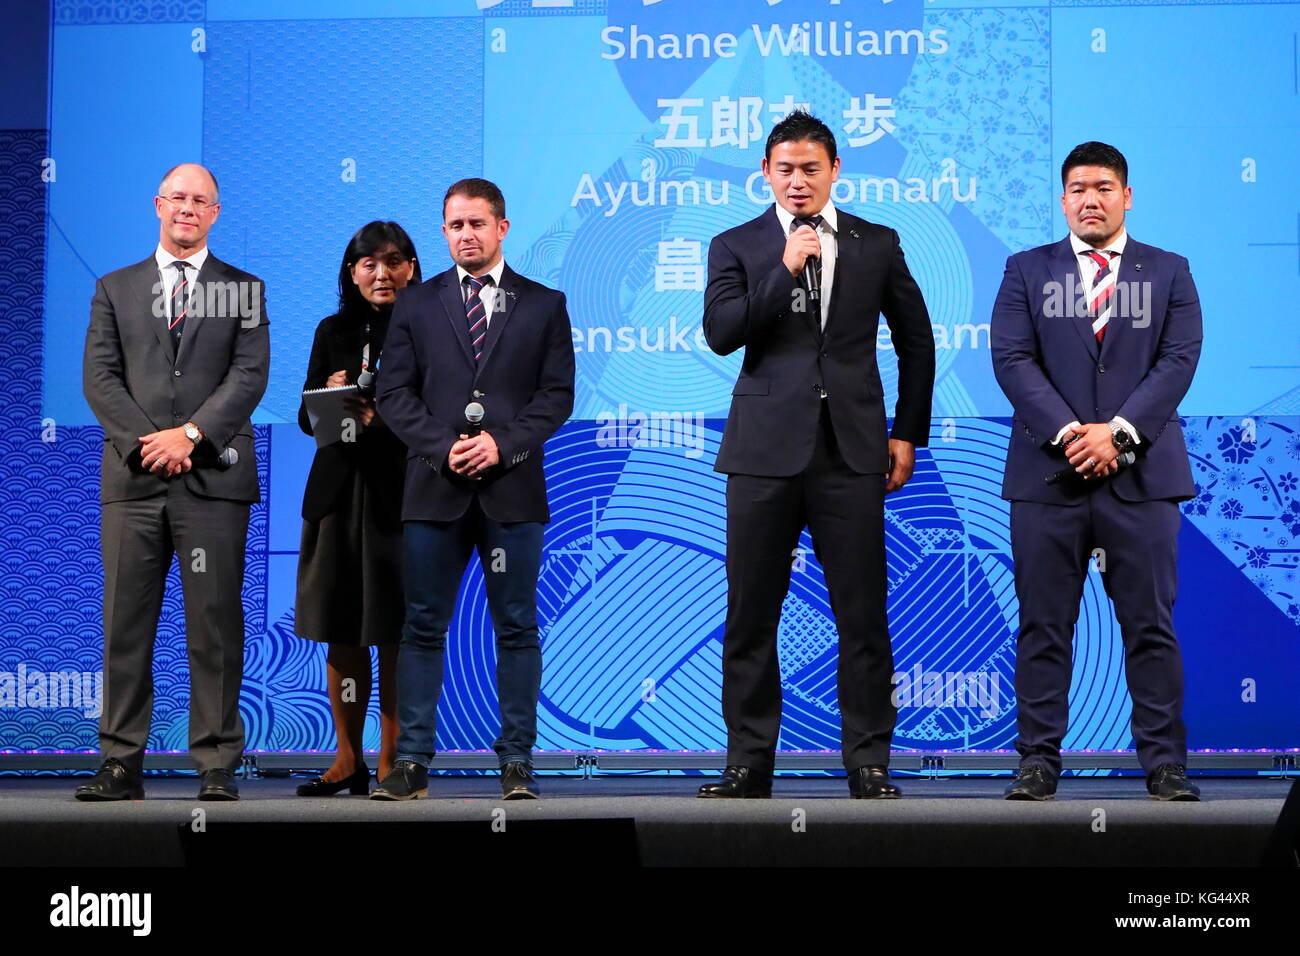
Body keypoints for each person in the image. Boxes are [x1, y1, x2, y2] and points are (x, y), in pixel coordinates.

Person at [699, 111, 936, 799]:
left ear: (835, 171)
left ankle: (868, 762)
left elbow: (917, 343)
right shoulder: (736, 245)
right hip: (762, 453)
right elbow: (722, 333)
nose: (797, 181)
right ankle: (748, 762)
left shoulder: (877, 243)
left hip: (852, 452)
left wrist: (905, 433)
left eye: (811, 169)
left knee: (863, 614)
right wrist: (784, 266)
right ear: (766, 174)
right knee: (751, 614)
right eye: (784, 169)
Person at [991, 141, 1203, 801]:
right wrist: (1069, 435)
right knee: (1044, 625)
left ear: (1127, 196)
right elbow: (1012, 359)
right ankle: (1037, 762)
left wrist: (1118, 434)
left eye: (1104, 187)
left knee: (1150, 626)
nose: (1091, 198)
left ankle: (1164, 764)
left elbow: (1178, 360)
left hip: (1142, 480)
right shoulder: (1027, 271)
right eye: (1078, 188)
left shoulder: (1169, 272)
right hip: (1048, 478)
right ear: (1063, 199)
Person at [371, 178, 574, 801]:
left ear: (502, 228)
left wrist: (501, 443)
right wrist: (443, 447)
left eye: (477, 224)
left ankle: (516, 760)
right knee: (422, 626)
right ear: (444, 232)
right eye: (455, 226)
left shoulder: (544, 303)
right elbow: (393, 394)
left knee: (516, 627)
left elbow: (556, 396)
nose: (466, 235)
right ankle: (411, 762)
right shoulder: (416, 303)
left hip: (511, 490)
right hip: (435, 490)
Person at [78, 163, 269, 801]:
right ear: (157, 204)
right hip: (134, 483)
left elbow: (248, 378)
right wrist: (147, 444)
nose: (188, 208)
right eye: (178, 198)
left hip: (212, 481)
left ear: (216, 213)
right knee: (124, 624)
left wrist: (187, 437)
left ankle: (216, 762)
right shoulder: (115, 287)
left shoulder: (244, 289)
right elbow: (101, 379)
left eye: (202, 201)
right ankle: (119, 762)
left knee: (214, 624)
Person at [293, 222, 421, 796]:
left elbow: (438, 412)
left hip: (400, 494)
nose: (381, 272)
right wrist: (332, 391)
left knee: (394, 633)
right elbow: (305, 418)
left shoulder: (429, 328)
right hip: (337, 492)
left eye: (393, 261)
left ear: (411, 268)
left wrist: (383, 415)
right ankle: (348, 759)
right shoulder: (332, 329)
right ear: (352, 273)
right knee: (341, 629)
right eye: (368, 263)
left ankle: (394, 762)